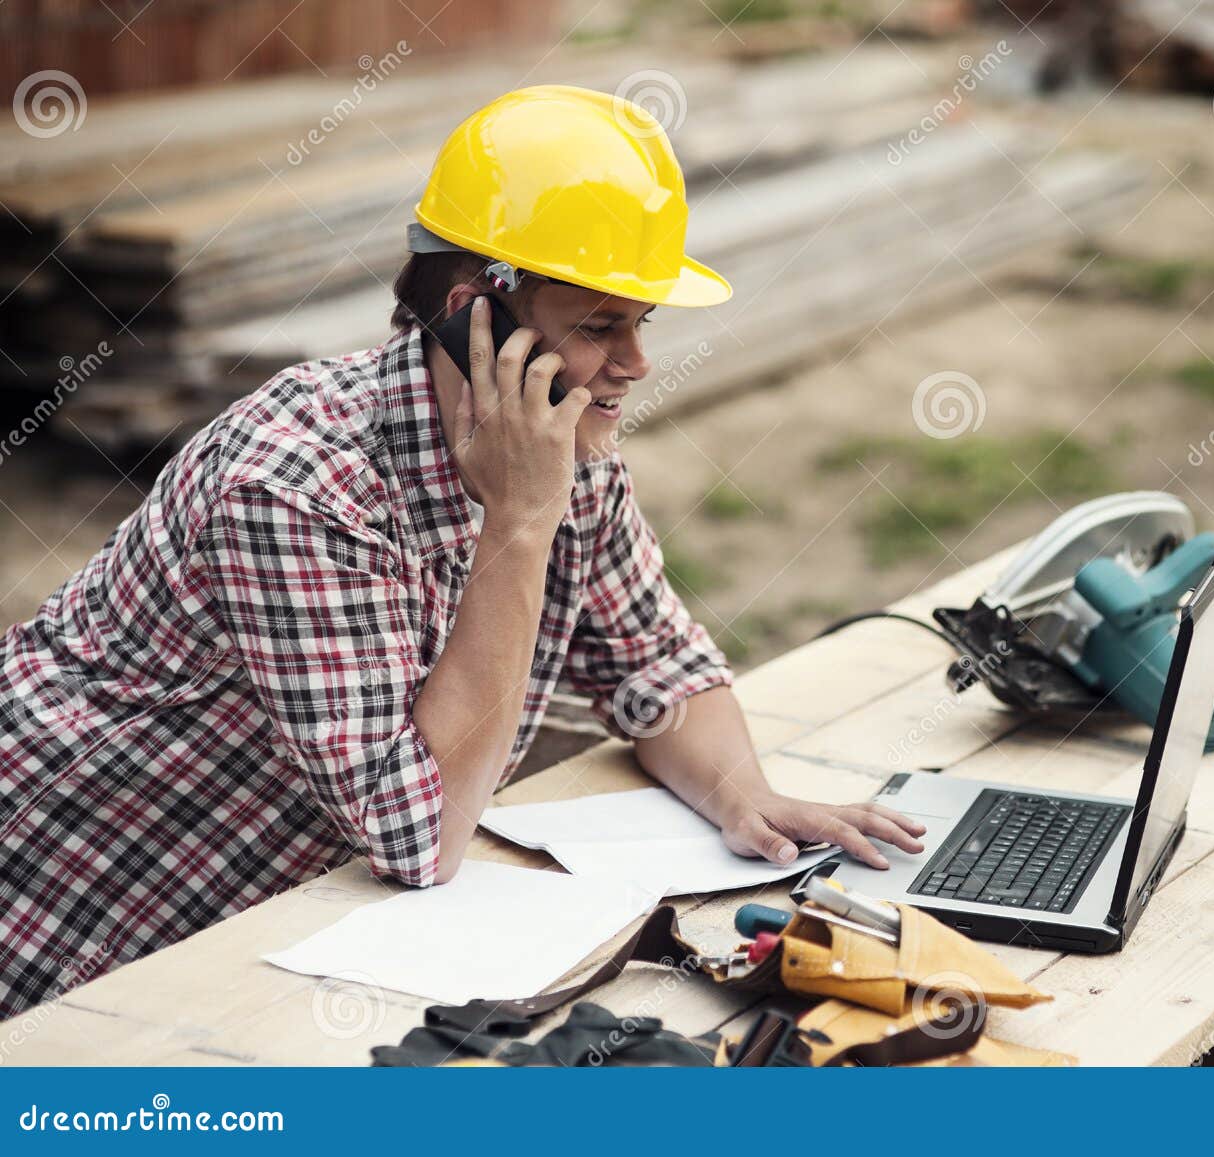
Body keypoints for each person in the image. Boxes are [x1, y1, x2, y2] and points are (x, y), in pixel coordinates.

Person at [0, 86, 924, 1018]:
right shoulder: (296, 485)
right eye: (600, 325)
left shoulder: (565, 454)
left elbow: (659, 665)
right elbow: (418, 835)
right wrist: (519, 526)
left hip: (262, 908)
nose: (637, 363)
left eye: (644, 322)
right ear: (474, 312)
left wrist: (739, 793)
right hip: (70, 918)